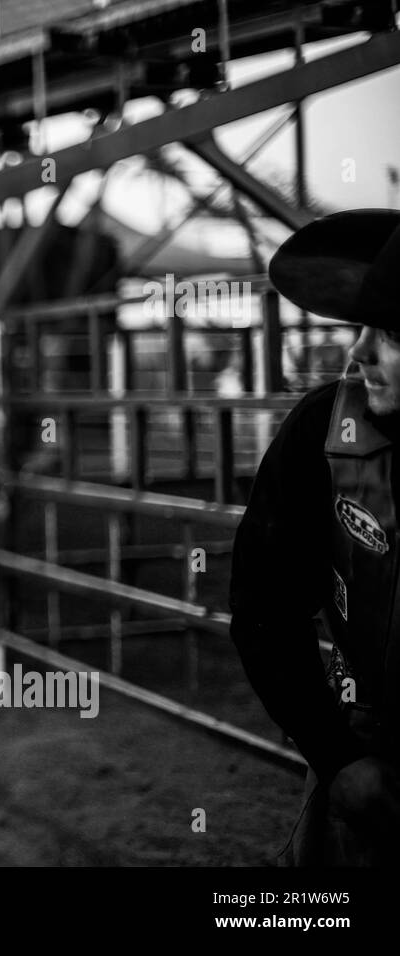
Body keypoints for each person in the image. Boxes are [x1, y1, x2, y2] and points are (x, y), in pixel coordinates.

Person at [230, 208, 400, 866]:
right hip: (363, 749)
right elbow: (264, 606)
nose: (357, 351)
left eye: (388, 331)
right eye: (362, 326)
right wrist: (338, 757)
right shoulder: (320, 432)